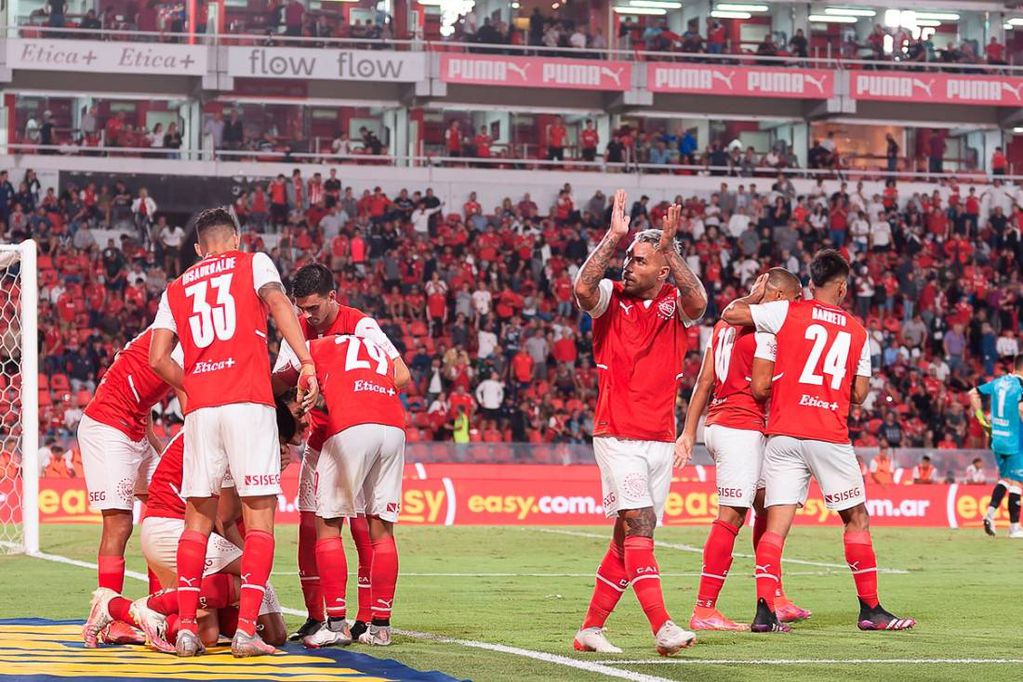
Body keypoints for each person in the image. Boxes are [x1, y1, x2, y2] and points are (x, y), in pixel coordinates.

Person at [148, 207, 318, 657]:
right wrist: (305, 361)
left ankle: (184, 628)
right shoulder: (254, 262)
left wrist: (199, 384)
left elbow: (158, 358)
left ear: (200, 248)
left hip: (202, 411)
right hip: (248, 402)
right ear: (237, 239)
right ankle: (245, 632)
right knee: (260, 518)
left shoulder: (177, 286)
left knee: (197, 520)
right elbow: (280, 304)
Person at [722, 249, 915, 633]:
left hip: (783, 433)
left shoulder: (786, 313)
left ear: (810, 283)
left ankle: (764, 613)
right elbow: (859, 394)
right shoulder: (858, 332)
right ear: (842, 287)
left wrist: (758, 296)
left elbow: (732, 315)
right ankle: (871, 609)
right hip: (828, 433)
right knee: (856, 517)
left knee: (775, 526)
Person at [572, 191, 707, 655]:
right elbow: (582, 289)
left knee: (624, 537)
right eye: (628, 258)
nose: (628, 265)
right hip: (617, 435)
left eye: (639, 260)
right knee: (641, 524)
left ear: (663, 269)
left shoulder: (674, 302)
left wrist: (669, 249)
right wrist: (612, 238)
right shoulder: (611, 297)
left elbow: (700, 300)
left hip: (658, 440)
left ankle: (590, 629)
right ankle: (662, 626)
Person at [91, 397, 303, 653]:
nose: (281, 452)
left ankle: (148, 617)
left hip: (188, 533)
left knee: (247, 634)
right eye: (279, 445)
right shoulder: (226, 435)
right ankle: (129, 607)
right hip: (172, 528)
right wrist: (250, 568)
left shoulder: (224, 427)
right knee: (252, 574)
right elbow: (225, 517)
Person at [269, 263, 409, 642]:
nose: (308, 316)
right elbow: (281, 383)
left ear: (334, 297)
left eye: (314, 308)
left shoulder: (360, 324)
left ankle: (357, 618)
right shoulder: (298, 330)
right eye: (302, 309)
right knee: (311, 521)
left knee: (357, 523)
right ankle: (319, 617)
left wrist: (343, 389)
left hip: (348, 429)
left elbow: (400, 375)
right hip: (326, 435)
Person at [677, 268, 810, 632]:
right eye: (795, 300)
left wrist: (690, 432)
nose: (797, 307)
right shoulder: (765, 329)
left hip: (727, 424)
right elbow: (760, 390)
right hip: (740, 426)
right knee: (732, 515)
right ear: (782, 297)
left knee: (767, 505)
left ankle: (774, 597)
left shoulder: (724, 329)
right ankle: (704, 608)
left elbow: (704, 382)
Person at [78, 326, 182, 647]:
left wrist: (158, 451)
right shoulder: (184, 339)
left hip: (135, 428)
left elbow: (141, 391)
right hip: (108, 426)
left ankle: (156, 608)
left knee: (163, 509)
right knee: (119, 523)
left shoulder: (163, 333)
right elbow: (191, 398)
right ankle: (108, 619)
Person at [969, 355, 1023, 538]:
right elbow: (1022, 409)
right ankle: (1014, 527)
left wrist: (980, 418)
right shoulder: (1020, 386)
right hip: (1014, 440)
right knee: (1017, 482)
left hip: (997, 438)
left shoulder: (998, 382)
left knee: (1006, 479)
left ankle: (990, 514)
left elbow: (972, 393)